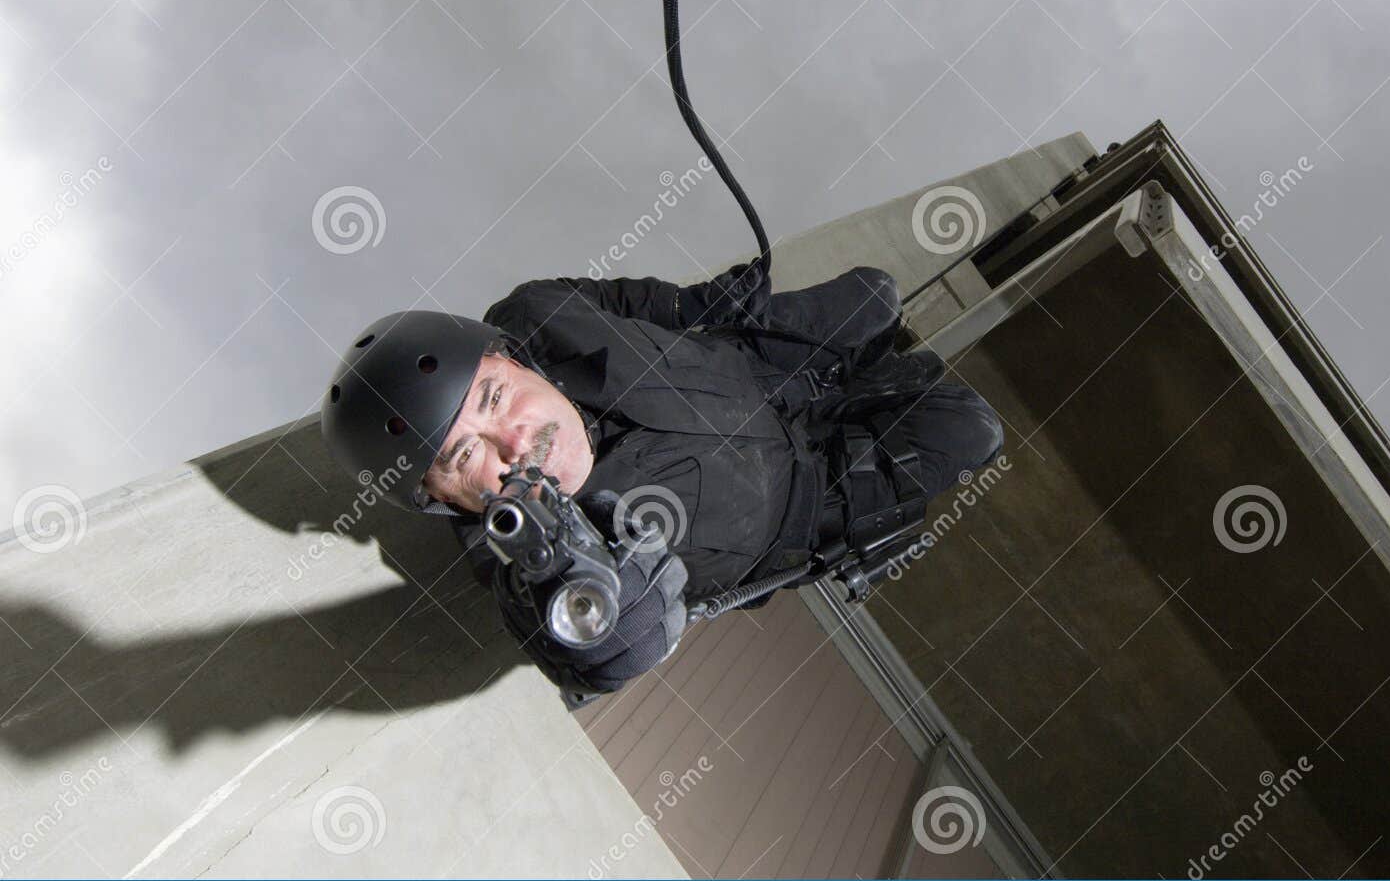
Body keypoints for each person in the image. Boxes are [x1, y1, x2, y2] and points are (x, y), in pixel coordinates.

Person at [319, 260, 1004, 698]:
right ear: (442, 501)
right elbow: (574, 637)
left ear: (512, 355)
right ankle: (877, 410)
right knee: (972, 427)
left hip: (760, 368)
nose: (512, 444)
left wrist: (719, 305)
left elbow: (641, 301)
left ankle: (860, 362)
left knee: (874, 292)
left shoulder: (541, 312)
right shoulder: (528, 549)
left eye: (494, 400)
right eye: (465, 457)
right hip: (812, 489)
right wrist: (606, 627)